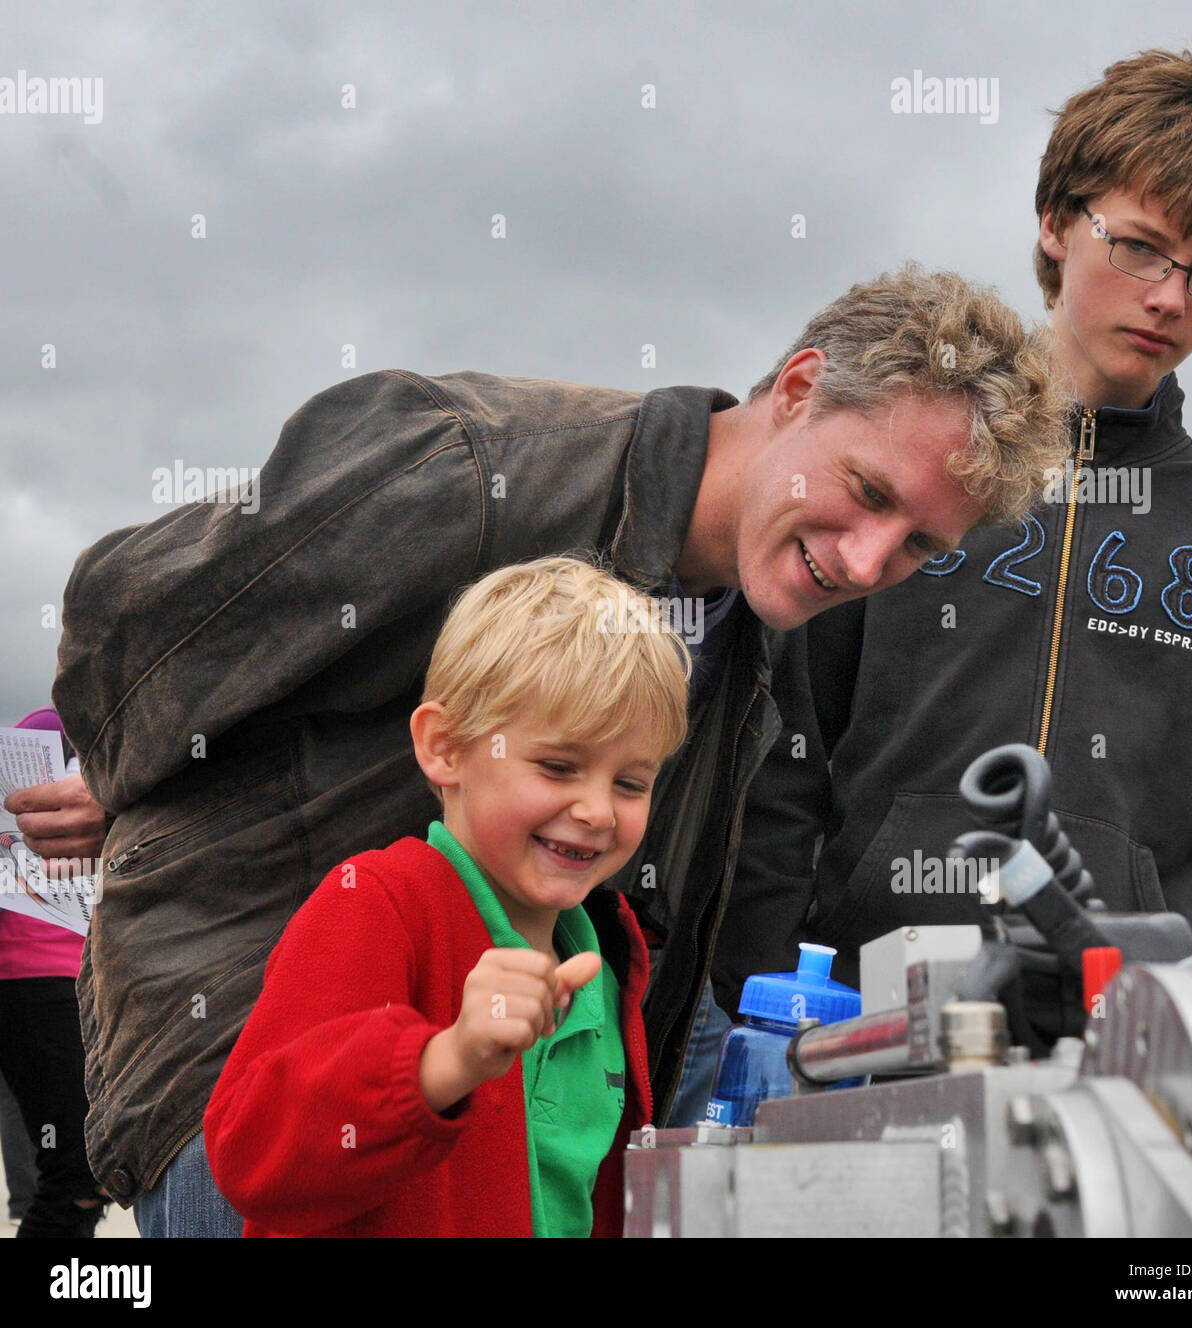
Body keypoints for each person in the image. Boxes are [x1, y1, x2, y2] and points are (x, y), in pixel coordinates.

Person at [52, 264, 1069, 1232]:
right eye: (870, 491)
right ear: (800, 386)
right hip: (255, 1081)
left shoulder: (762, 628)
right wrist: (142, 774)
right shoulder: (465, 462)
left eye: (919, 547)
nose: (865, 560)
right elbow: (133, 623)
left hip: (511, 1118)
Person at [711, 51, 1192, 1041]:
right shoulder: (910, 462)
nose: (1167, 297)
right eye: (1141, 247)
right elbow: (783, 745)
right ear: (1056, 221)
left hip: (1123, 1047)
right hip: (851, 1022)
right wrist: (764, 992)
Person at [204, 558, 685, 1236]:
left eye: (631, 783)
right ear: (445, 748)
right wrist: (446, 1060)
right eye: (557, 766)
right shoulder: (376, 904)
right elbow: (249, 1155)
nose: (598, 810)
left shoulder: (607, 967)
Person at [0, 707, 108, 1237]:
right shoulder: (49, 725)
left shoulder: (150, 744)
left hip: (91, 973)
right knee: (76, 1178)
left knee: (89, 1177)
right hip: (33, 973)